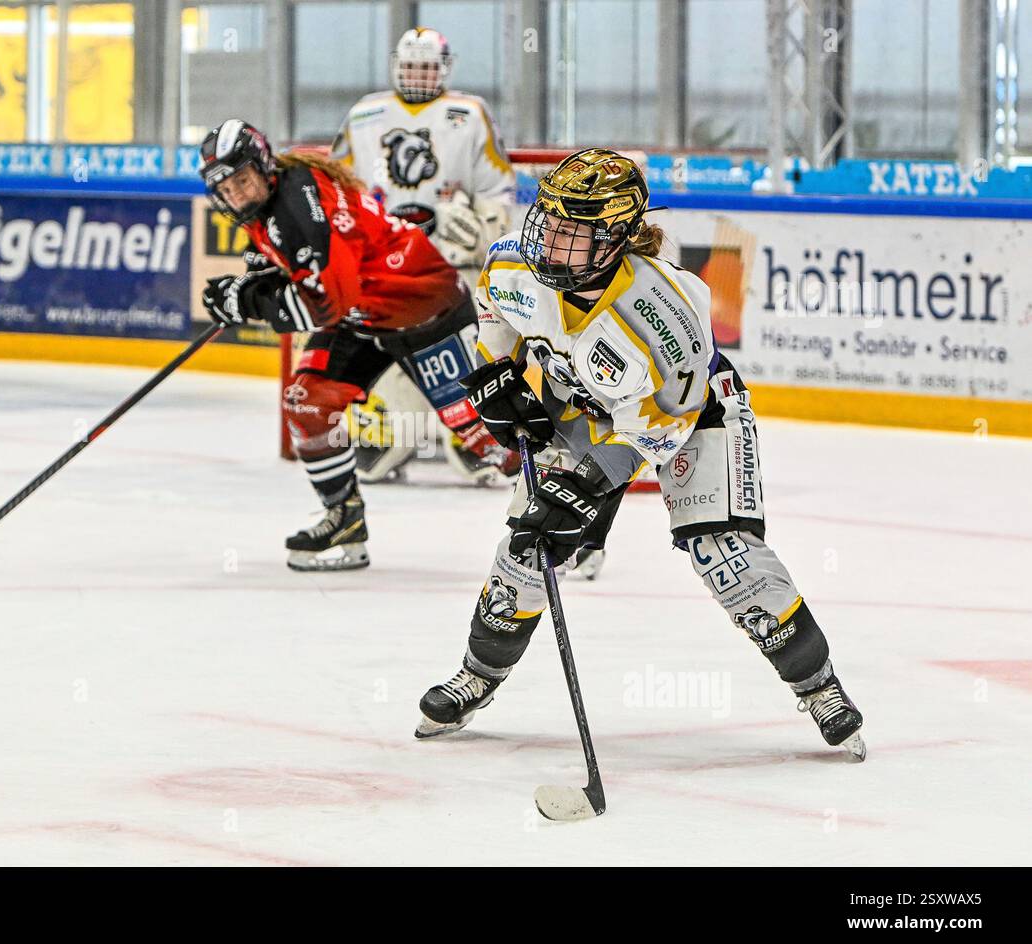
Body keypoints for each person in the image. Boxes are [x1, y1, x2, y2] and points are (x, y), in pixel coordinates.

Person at [415, 149, 866, 760]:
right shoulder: (516, 265)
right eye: (549, 222)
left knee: (724, 554)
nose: (551, 242)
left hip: (693, 415)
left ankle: (818, 687)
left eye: (573, 232)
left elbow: (662, 423)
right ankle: (477, 676)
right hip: (581, 406)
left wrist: (588, 485)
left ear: (615, 238)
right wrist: (498, 381)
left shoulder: (664, 318)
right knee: (529, 547)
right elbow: (495, 317)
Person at [197, 118, 518, 571]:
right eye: (226, 189)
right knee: (308, 403)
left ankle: (567, 530)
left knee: (490, 436)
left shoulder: (295, 205)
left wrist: (248, 299)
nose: (236, 195)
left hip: (423, 310)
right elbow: (304, 275)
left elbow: (324, 305)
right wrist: (252, 287)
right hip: (365, 315)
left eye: (242, 181)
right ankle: (344, 519)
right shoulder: (271, 200)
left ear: (263, 165)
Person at [330, 27, 517, 483]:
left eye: (428, 67)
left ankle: (475, 437)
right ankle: (395, 431)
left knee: (469, 350)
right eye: (411, 66)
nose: (419, 75)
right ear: (396, 66)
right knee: (385, 354)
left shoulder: (469, 114)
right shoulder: (364, 116)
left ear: (444, 69)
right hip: (385, 266)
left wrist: (479, 224)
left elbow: (498, 190)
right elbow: (338, 190)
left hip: (453, 263)